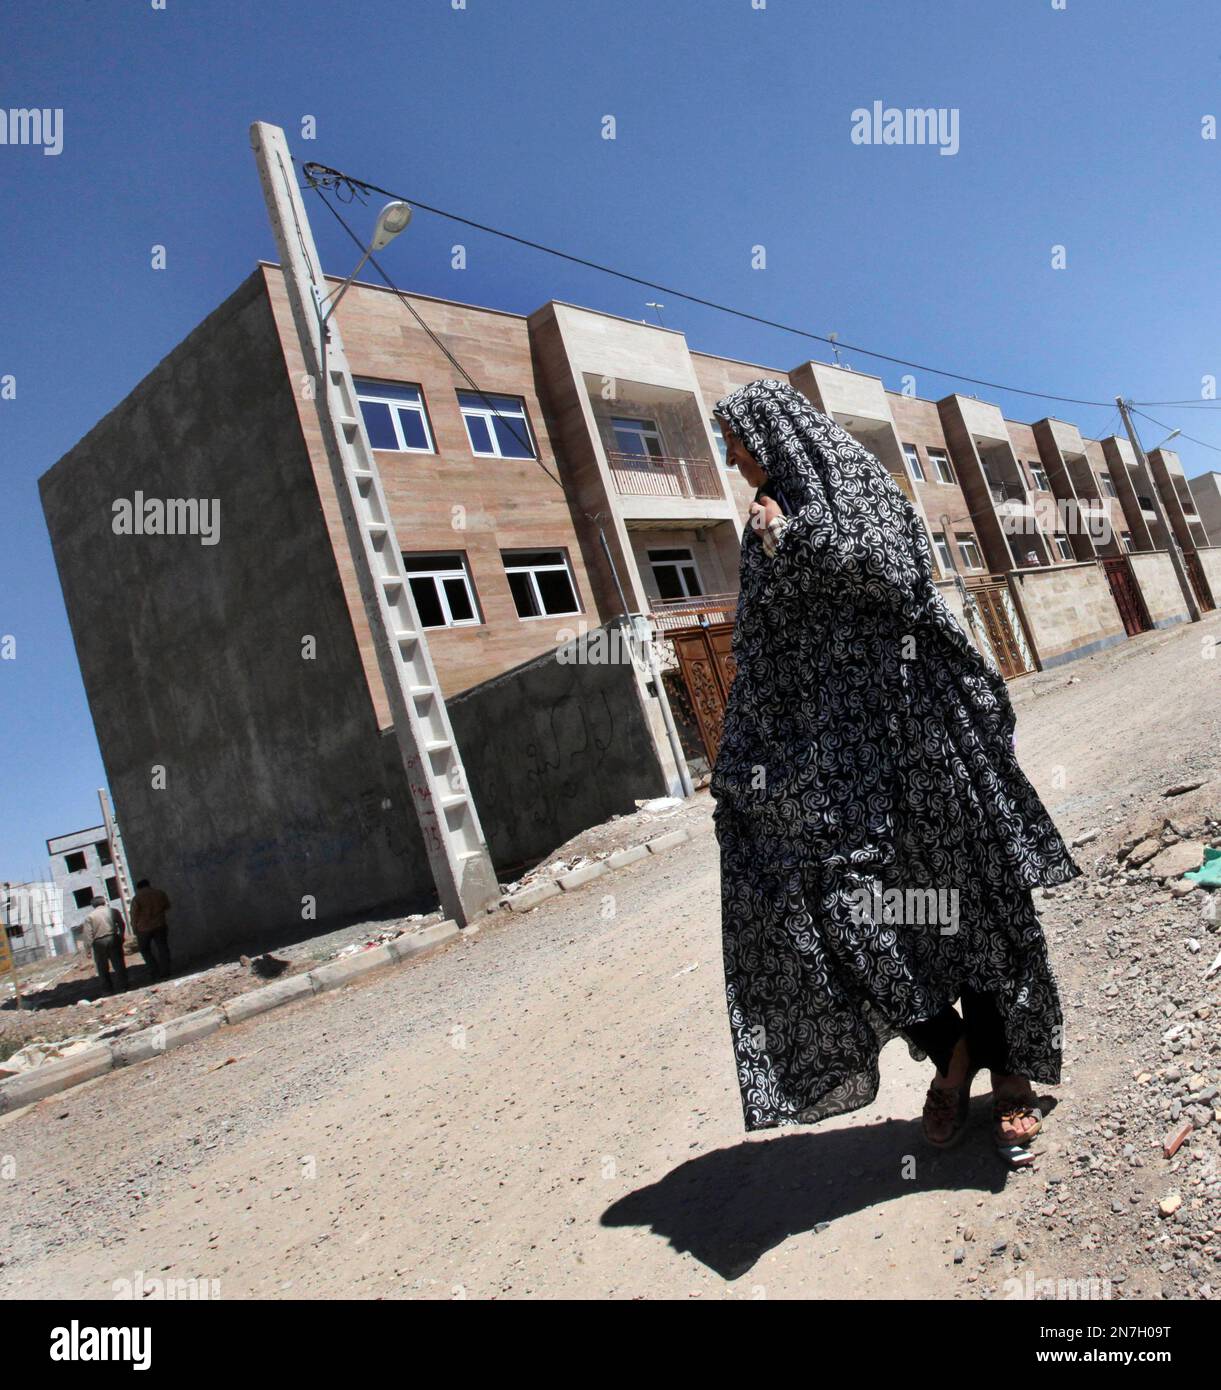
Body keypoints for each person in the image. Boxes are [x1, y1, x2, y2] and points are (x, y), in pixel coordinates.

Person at [710, 379, 1080, 1152]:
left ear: (780, 435)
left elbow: (894, 576)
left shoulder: (854, 487)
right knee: (855, 907)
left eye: (741, 444)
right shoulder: (759, 523)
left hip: (917, 725)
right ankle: (952, 1056)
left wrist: (794, 539)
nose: (737, 460)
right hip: (832, 752)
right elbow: (763, 644)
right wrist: (750, 755)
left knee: (965, 897)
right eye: (730, 448)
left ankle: (1007, 1071)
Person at [80, 894, 129, 995]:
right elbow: (121, 924)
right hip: (113, 938)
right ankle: (123, 986)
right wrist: (121, 935)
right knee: (118, 964)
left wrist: (88, 950)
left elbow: (88, 935)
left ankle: (107, 990)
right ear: (104, 902)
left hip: (99, 942)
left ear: (93, 905)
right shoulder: (113, 911)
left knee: (102, 967)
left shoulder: (90, 917)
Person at [129, 878, 172, 980]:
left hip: (144, 928)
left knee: (145, 950)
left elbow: (134, 914)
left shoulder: (137, 898)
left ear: (138, 888)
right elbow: (167, 906)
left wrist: (134, 928)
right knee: (163, 948)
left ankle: (154, 971)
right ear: (149, 884)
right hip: (160, 924)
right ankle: (166, 971)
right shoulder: (160, 893)